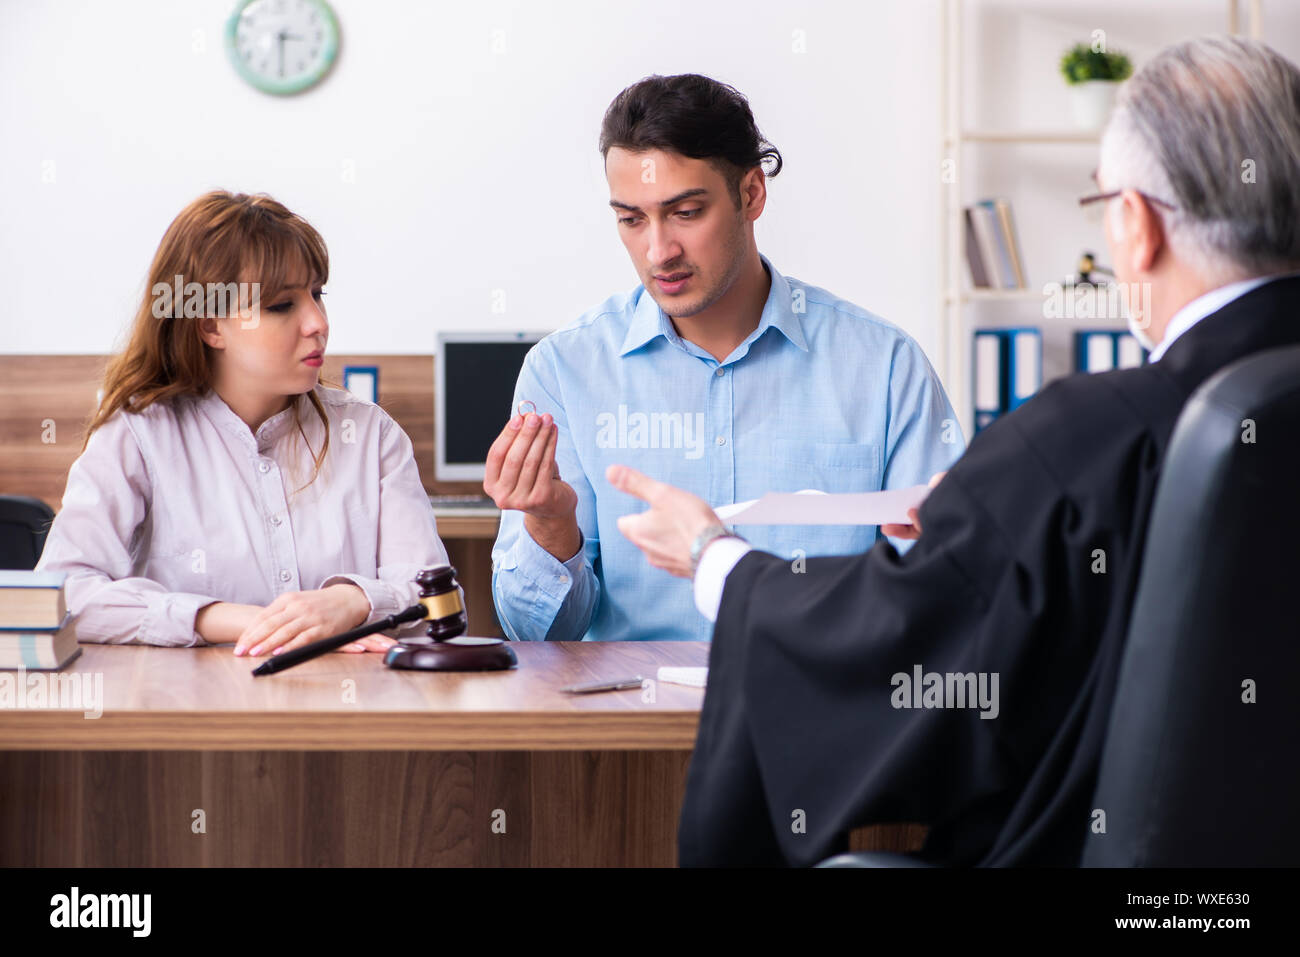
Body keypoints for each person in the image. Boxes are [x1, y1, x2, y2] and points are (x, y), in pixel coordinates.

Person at [607, 36, 1300, 865]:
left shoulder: (1085, 439)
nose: (660, 245)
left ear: (1134, 225)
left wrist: (718, 560)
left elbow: (902, 648)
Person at [485, 73, 963, 643]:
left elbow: (949, 591)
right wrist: (549, 523)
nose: (659, 251)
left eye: (686, 212)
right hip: (630, 720)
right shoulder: (564, 370)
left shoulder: (885, 367)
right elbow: (539, 636)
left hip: (818, 710)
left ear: (752, 194)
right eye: (631, 219)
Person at [35, 191, 452, 656]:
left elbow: (441, 606)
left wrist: (351, 601)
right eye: (281, 305)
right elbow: (64, 591)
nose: (317, 322)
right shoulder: (137, 434)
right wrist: (231, 619)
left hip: (346, 715)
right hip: (193, 719)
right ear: (210, 326)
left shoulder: (372, 435)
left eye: (317, 294)